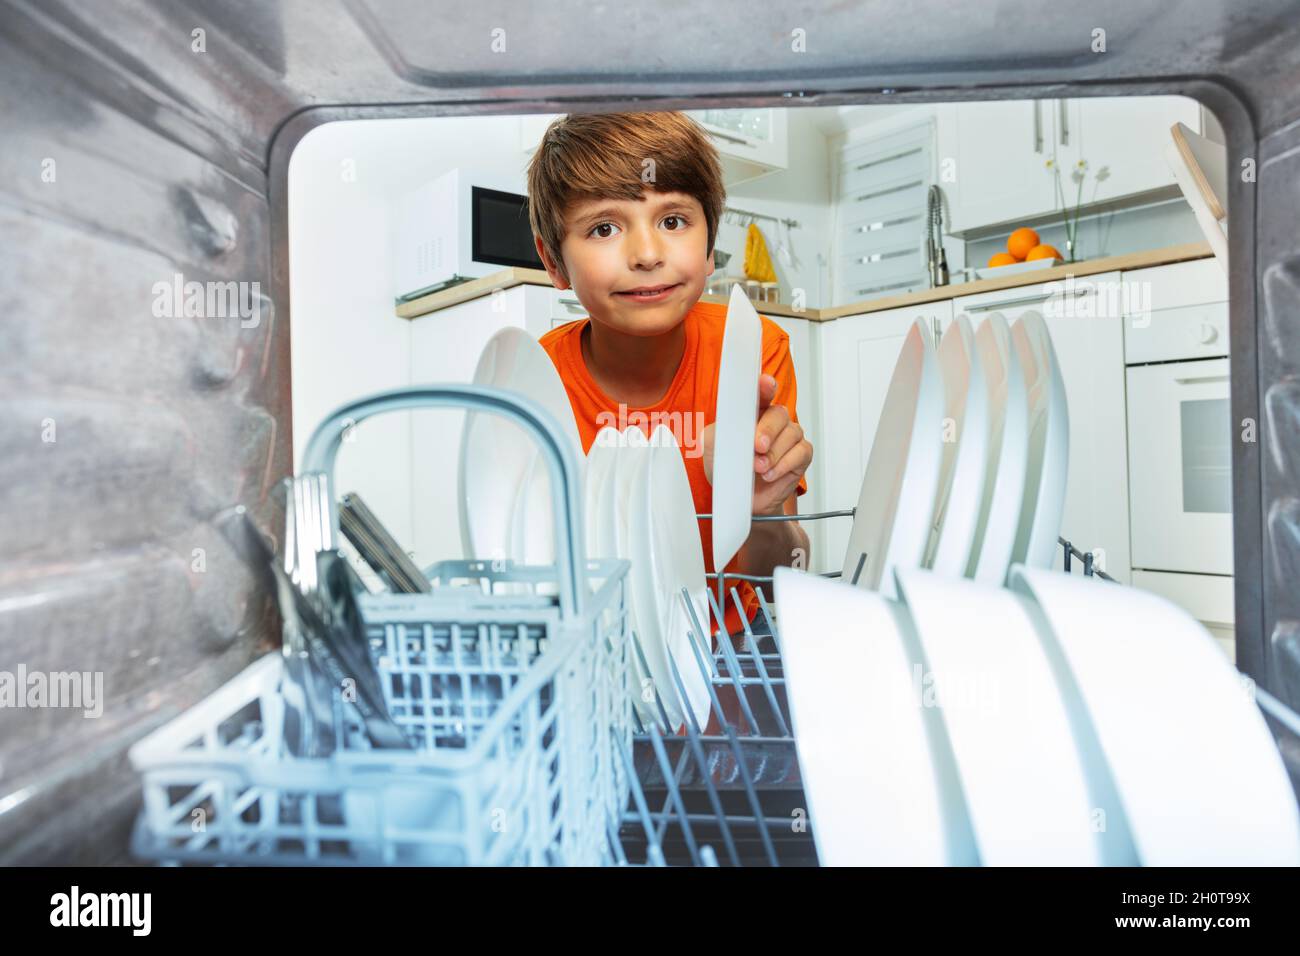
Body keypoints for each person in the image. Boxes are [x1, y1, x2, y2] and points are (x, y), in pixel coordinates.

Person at [526, 110, 813, 646]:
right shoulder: (536, 380)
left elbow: (779, 578)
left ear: (709, 250)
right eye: (604, 228)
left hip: (733, 638)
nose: (648, 254)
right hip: (594, 645)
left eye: (674, 221)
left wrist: (761, 513)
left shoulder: (753, 349)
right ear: (553, 260)